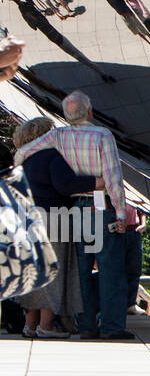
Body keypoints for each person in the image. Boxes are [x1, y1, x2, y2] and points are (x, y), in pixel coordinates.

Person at [12, 117, 99, 339]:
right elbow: (65, 184)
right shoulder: (52, 156)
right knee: (53, 272)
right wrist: (97, 182)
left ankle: (30, 325)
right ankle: (46, 326)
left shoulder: (24, 159)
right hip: (52, 218)